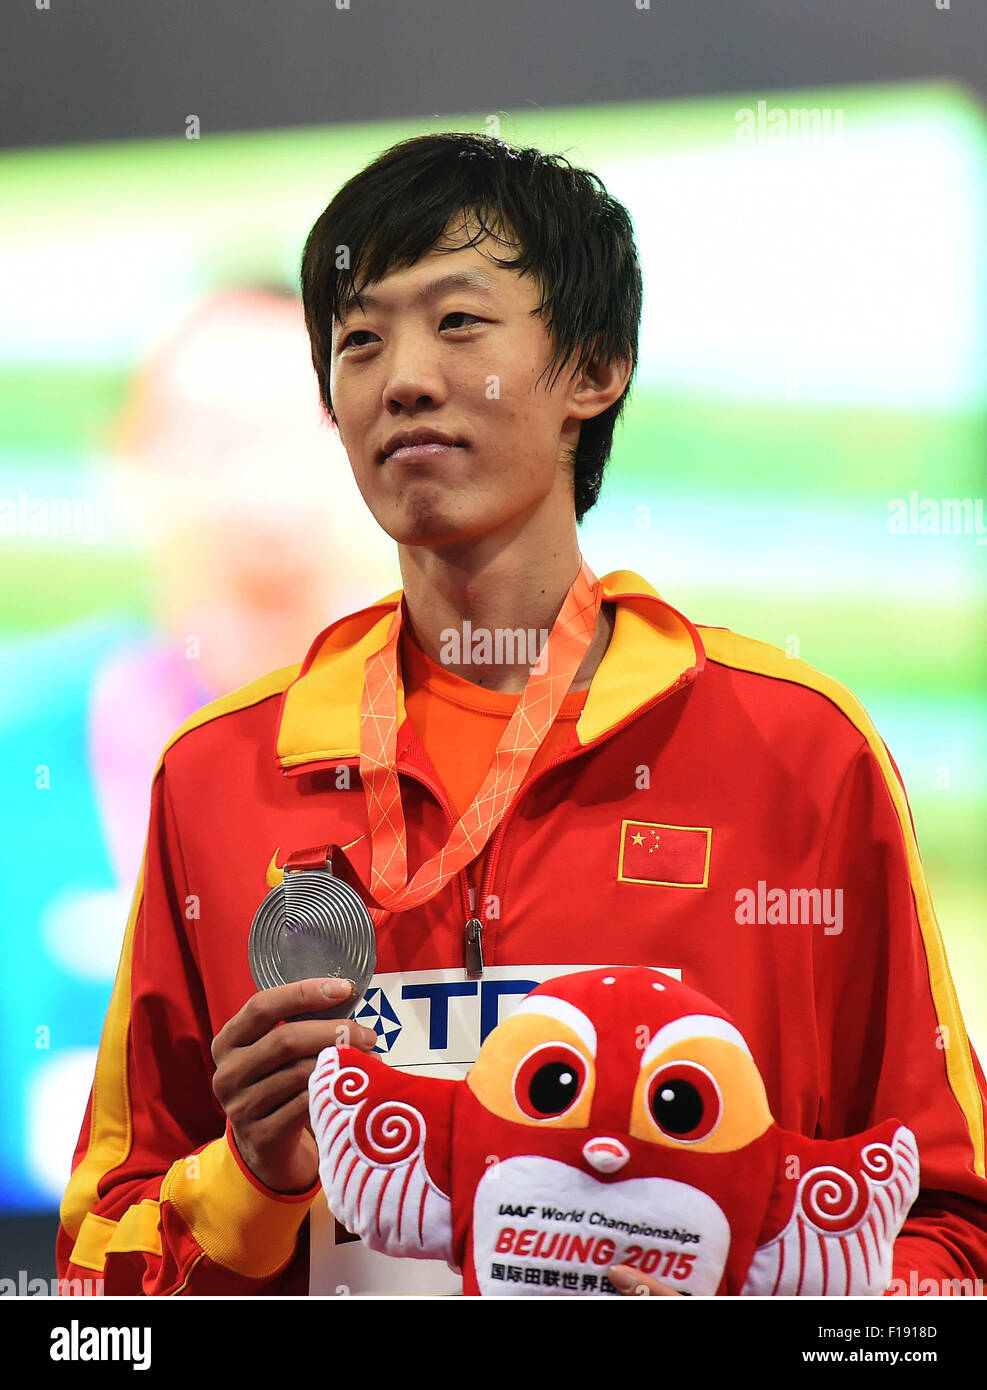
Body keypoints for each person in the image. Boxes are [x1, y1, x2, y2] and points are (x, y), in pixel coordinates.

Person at [57, 131, 987, 1297]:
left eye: (458, 323)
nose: (402, 378)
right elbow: (95, 1288)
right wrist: (250, 1178)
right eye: (359, 340)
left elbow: (953, 1229)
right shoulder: (219, 771)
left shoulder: (796, 749)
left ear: (594, 369)